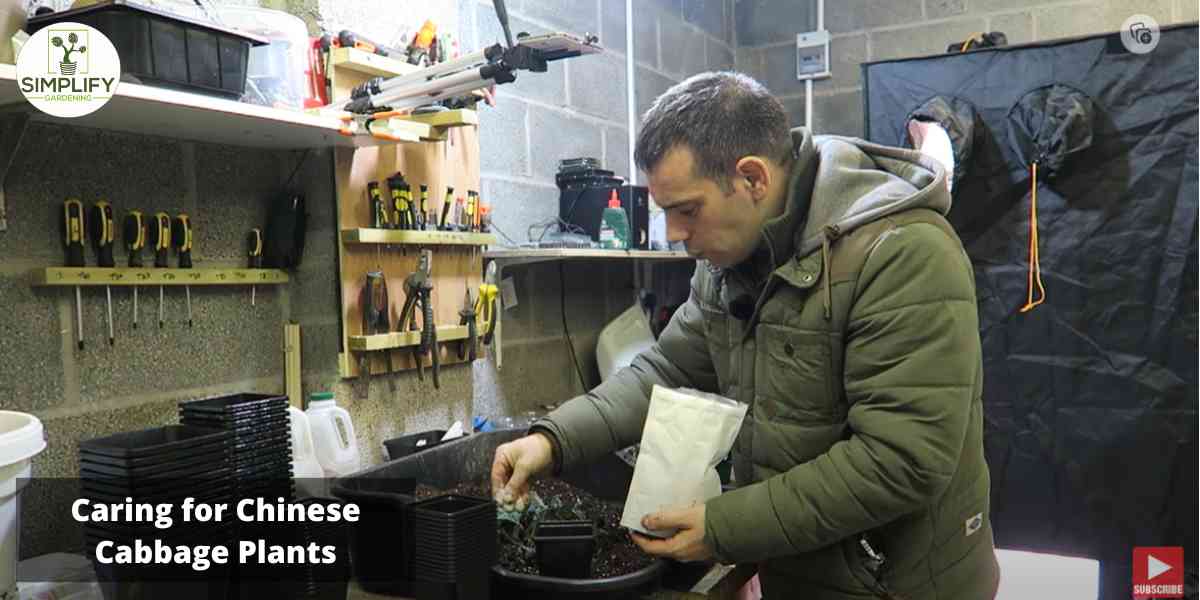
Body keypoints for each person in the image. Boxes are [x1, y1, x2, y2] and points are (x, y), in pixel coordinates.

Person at [491, 71, 1000, 600]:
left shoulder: (901, 253)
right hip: (801, 573)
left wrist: (723, 526)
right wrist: (551, 439)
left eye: (687, 210)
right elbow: (664, 371)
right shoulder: (729, 263)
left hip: (899, 585)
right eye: (667, 213)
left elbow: (901, 459)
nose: (675, 236)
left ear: (753, 179)